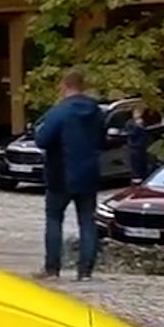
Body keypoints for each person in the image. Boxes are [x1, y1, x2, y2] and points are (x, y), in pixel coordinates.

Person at [32, 68, 105, 280]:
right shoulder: (97, 111)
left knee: (54, 219)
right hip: (89, 174)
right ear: (83, 87)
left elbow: (42, 140)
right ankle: (85, 271)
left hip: (60, 174)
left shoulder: (59, 112)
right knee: (88, 222)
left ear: (64, 86)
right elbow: (102, 140)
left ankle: (53, 268)